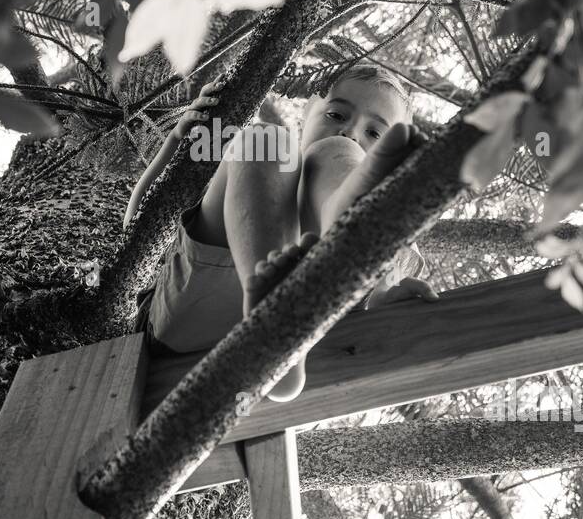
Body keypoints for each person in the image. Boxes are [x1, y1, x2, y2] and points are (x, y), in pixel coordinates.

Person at [126, 63, 438, 402]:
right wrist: (176, 143)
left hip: (305, 322)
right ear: (308, 113)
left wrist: (382, 301)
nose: (351, 131)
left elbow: (383, 299)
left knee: (338, 157)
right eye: (336, 115)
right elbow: (138, 234)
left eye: (376, 134)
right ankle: (274, 313)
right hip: (193, 302)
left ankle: (281, 328)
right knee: (266, 138)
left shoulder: (389, 220)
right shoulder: (252, 168)